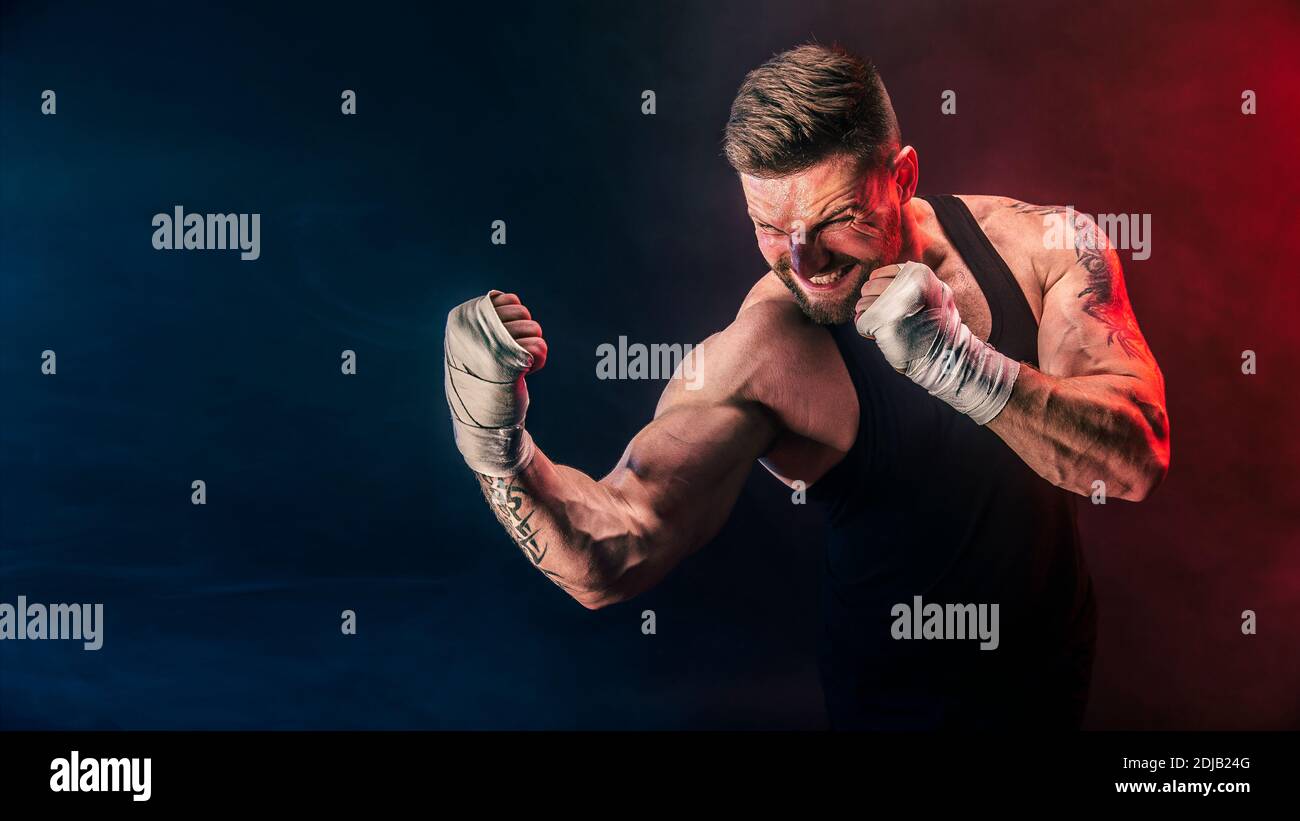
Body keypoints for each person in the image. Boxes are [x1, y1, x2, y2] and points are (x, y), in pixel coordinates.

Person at [443, 43, 1169, 729]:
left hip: (1060, 692)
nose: (803, 261)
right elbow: (615, 551)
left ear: (903, 178)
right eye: (769, 226)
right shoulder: (768, 349)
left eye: (835, 220)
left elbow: (1134, 461)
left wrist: (962, 365)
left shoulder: (1042, 248)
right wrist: (495, 445)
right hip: (891, 713)